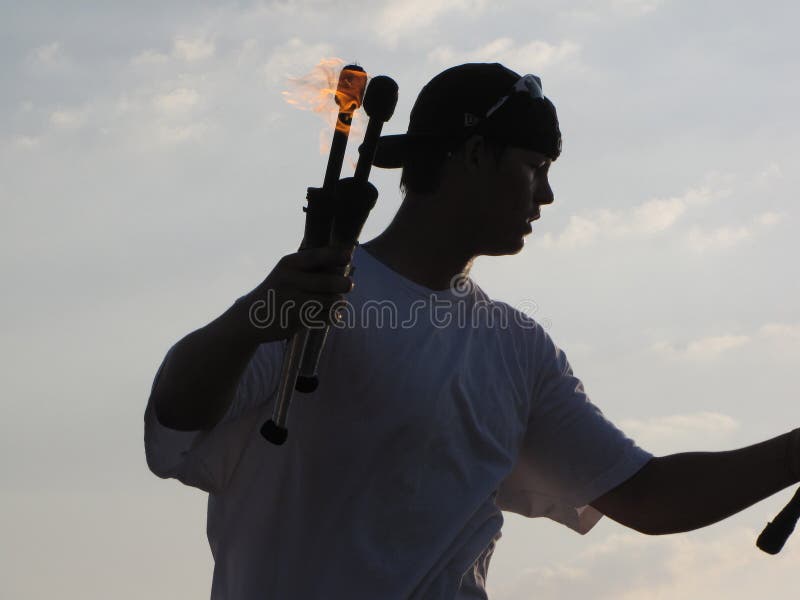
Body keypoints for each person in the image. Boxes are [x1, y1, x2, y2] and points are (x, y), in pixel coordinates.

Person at [144, 63, 800, 599]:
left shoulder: (517, 350)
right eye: (535, 166)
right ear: (475, 155)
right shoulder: (318, 293)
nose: (545, 196)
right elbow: (177, 416)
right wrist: (249, 318)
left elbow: (651, 499)